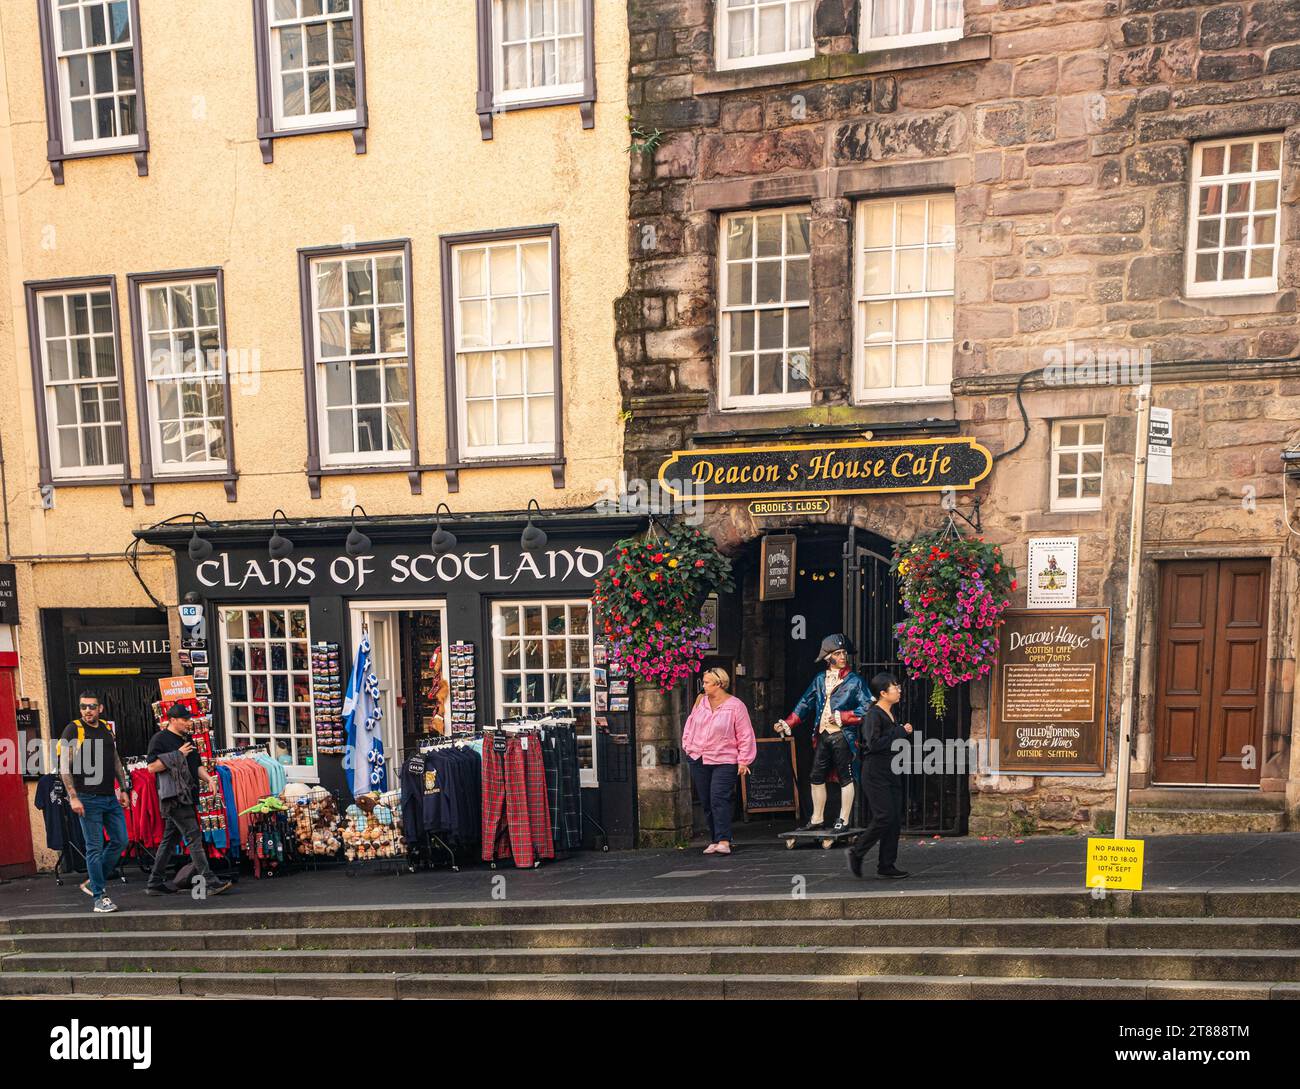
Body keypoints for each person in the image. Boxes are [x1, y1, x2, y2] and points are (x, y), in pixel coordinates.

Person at [773, 634, 870, 833]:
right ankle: (816, 819)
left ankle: (843, 820)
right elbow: (805, 703)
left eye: (844, 653)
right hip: (823, 735)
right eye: (838, 653)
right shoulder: (819, 679)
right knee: (816, 776)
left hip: (843, 736)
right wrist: (787, 723)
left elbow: (869, 707)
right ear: (828, 657)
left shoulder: (855, 681)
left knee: (846, 777)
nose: (843, 656)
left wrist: (844, 717)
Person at [145, 704, 232, 897]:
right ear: (172, 720)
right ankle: (209, 881)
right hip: (173, 796)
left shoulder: (187, 738)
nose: (188, 723)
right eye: (184, 720)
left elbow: (195, 765)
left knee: (169, 840)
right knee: (194, 837)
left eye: (189, 719)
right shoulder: (159, 739)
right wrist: (177, 755)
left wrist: (209, 779)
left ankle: (154, 882)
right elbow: (151, 767)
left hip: (187, 793)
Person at [58, 691, 130, 913]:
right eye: (83, 707)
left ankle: (92, 881)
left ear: (100, 709)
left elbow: (115, 760)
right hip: (87, 798)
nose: (87, 710)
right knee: (94, 848)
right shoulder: (74, 729)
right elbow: (64, 766)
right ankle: (100, 897)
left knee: (121, 841)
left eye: (91, 706)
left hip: (109, 796)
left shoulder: (106, 728)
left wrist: (124, 788)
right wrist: (73, 797)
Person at [681, 666, 756, 856]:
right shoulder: (701, 701)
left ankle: (724, 839)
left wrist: (744, 760)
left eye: (706, 682)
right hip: (699, 757)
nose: (703, 685)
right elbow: (690, 725)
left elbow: (745, 734)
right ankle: (714, 839)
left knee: (718, 797)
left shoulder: (735, 705)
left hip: (725, 759)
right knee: (706, 800)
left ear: (719, 684)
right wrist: (688, 746)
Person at [847, 672, 914, 880]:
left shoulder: (891, 714)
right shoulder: (873, 715)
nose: (899, 690)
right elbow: (873, 744)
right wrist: (900, 732)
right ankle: (857, 852)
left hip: (891, 770)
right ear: (883, 693)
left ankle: (886, 864)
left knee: (893, 819)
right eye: (895, 687)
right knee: (884, 815)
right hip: (875, 772)